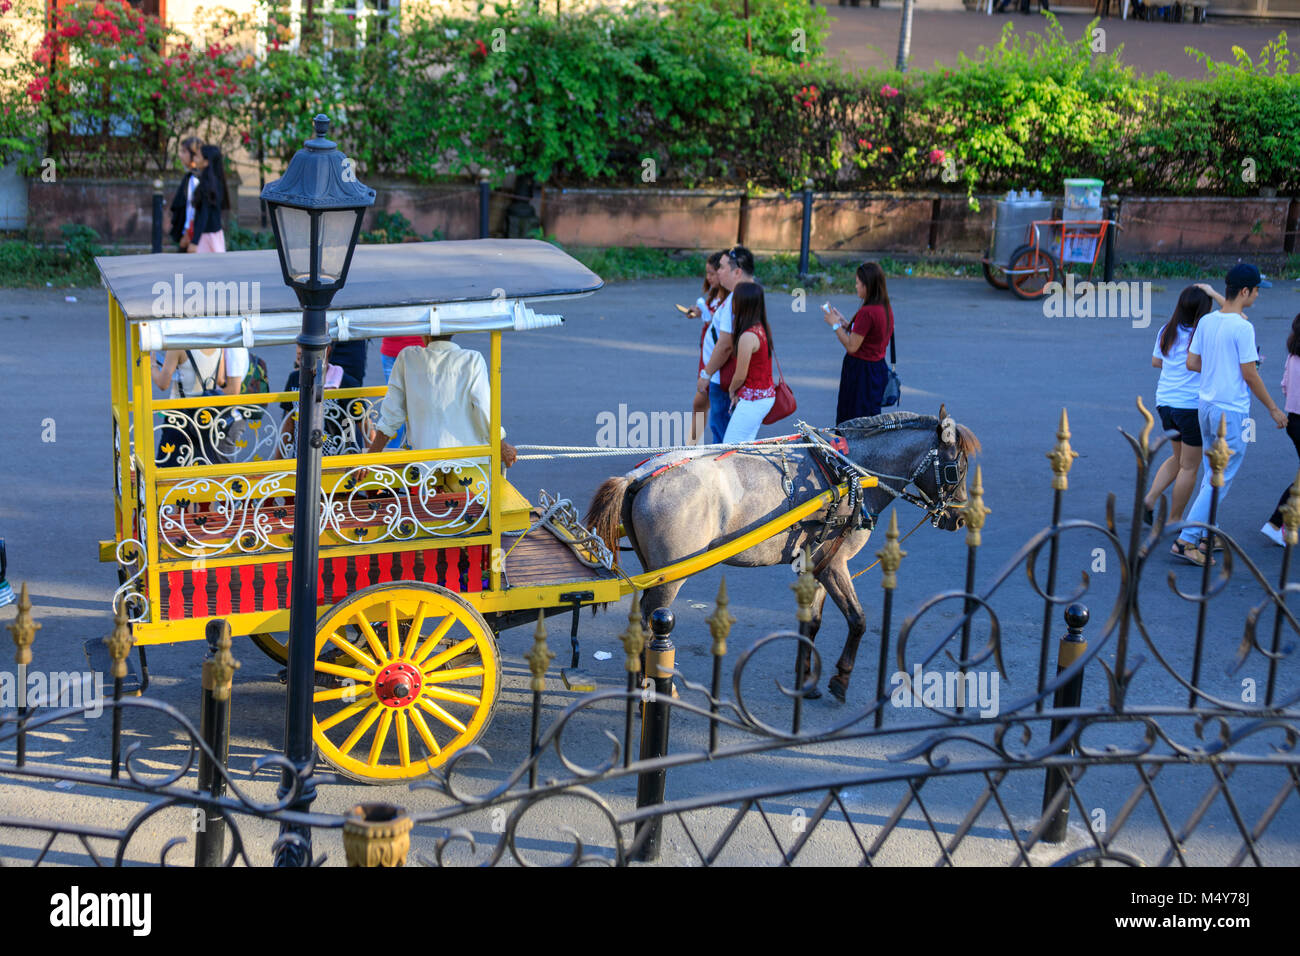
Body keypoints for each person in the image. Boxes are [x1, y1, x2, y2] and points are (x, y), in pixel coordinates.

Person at [1172, 264, 1285, 565]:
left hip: (1206, 406)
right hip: (1230, 411)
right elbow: (1250, 374)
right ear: (1245, 291)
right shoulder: (1243, 328)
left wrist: (1218, 367)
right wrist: (1274, 408)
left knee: (1212, 472)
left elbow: (1192, 363)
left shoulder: (1208, 321)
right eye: (1257, 289)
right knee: (1220, 477)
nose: (1258, 295)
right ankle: (1187, 540)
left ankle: (1208, 532)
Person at [366, 335, 516, 467]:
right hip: (470, 464)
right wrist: (501, 445)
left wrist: (369, 459)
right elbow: (484, 411)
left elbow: (392, 415)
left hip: (425, 467)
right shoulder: (472, 359)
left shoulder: (407, 357)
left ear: (425, 333)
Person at [1142, 284, 1222, 525]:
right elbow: (1239, 316)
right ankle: (1174, 520)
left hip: (1165, 403)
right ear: (1204, 310)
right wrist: (1214, 292)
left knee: (1177, 459)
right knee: (1190, 467)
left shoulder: (1167, 330)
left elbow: (1157, 361)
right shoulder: (1204, 334)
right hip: (1190, 407)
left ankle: (1149, 499)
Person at [698, 245, 756, 444]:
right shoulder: (740, 297)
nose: (718, 272)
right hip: (725, 376)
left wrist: (706, 374)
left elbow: (725, 345)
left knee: (722, 435)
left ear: (737, 272)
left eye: (722, 267)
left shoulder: (736, 301)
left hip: (722, 376)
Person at [824, 262, 894, 423]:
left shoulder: (867, 312)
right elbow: (868, 337)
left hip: (861, 372)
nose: (855, 286)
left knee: (851, 420)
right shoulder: (884, 307)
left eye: (857, 283)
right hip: (877, 369)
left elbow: (852, 346)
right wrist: (845, 324)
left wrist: (834, 324)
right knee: (869, 419)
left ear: (867, 286)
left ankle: (847, 448)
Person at [274, 343, 362, 459]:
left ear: (327, 350)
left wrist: (371, 462)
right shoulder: (294, 379)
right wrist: (278, 461)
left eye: (306, 346)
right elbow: (288, 424)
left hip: (337, 465)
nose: (299, 351)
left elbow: (364, 425)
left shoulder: (346, 384)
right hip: (301, 461)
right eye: (299, 345)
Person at [1261, 313, 1300, 546]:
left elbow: (1285, 386)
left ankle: (1278, 522)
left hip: (1293, 421)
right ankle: (1276, 522)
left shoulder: (1293, 357)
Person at [151, 347, 228, 466]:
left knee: (169, 467)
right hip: (205, 416)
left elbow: (163, 384)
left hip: (179, 416)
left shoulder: (178, 347)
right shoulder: (218, 346)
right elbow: (220, 380)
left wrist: (152, 365)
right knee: (200, 465)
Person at [724, 282, 776, 443]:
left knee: (729, 448)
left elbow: (740, 375)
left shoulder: (748, 337)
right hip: (763, 395)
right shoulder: (761, 327)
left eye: (734, 299)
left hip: (754, 399)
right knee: (745, 446)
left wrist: (732, 390)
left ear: (742, 304)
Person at [687, 251, 726, 444]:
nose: (708, 278)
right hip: (707, 355)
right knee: (700, 405)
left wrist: (705, 312)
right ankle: (691, 447)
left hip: (717, 361)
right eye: (707, 274)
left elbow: (723, 330)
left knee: (715, 411)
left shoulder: (728, 299)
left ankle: (695, 448)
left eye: (712, 273)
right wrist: (698, 312)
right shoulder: (714, 295)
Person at [169, 138, 229, 254]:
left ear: (206, 162)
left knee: (189, 269)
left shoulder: (204, 184)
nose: (195, 159)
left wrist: (194, 240)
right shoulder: (213, 182)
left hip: (204, 235)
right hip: (210, 233)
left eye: (197, 156)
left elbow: (202, 213)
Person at [378, 335, 424, 448]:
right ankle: (394, 455)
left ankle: (395, 456)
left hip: (419, 353)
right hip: (393, 351)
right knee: (396, 405)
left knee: (398, 405)